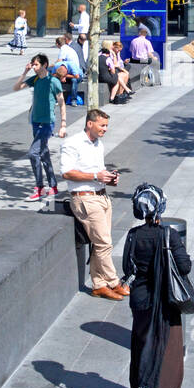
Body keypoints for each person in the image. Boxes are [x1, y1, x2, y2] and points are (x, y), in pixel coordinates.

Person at [122, 183, 193, 388]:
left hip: (141, 304)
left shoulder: (133, 236)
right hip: (164, 306)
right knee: (166, 362)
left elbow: (128, 268)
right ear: (160, 207)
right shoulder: (168, 235)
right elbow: (184, 267)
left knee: (145, 352)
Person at [60, 109, 129, 300]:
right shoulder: (72, 143)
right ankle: (114, 281)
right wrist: (96, 176)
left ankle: (99, 285)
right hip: (85, 198)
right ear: (90, 123)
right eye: (102, 125)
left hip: (102, 196)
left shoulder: (98, 144)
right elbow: (66, 173)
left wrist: (108, 178)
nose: (105, 129)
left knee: (102, 243)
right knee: (104, 242)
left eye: (106, 125)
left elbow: (98, 171)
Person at [12, 53, 66, 200]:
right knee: (43, 154)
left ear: (44, 65)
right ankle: (53, 186)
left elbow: (61, 102)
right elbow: (16, 87)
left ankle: (39, 187)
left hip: (47, 123)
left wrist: (63, 125)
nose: (34, 67)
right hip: (36, 121)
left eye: (36, 64)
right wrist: (24, 72)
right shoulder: (35, 79)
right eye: (33, 64)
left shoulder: (53, 81)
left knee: (33, 153)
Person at [53, 31, 83, 104]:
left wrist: (64, 76)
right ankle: (56, 98)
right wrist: (60, 76)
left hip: (76, 72)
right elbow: (54, 73)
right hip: (66, 72)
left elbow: (76, 76)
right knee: (55, 80)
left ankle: (74, 99)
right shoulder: (59, 65)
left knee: (74, 80)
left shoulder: (64, 49)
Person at [98, 40, 127, 105]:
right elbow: (113, 70)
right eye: (111, 45)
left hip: (99, 75)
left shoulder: (98, 54)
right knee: (117, 79)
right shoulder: (108, 57)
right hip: (106, 74)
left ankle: (124, 91)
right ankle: (113, 97)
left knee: (123, 75)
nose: (113, 46)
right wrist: (114, 56)